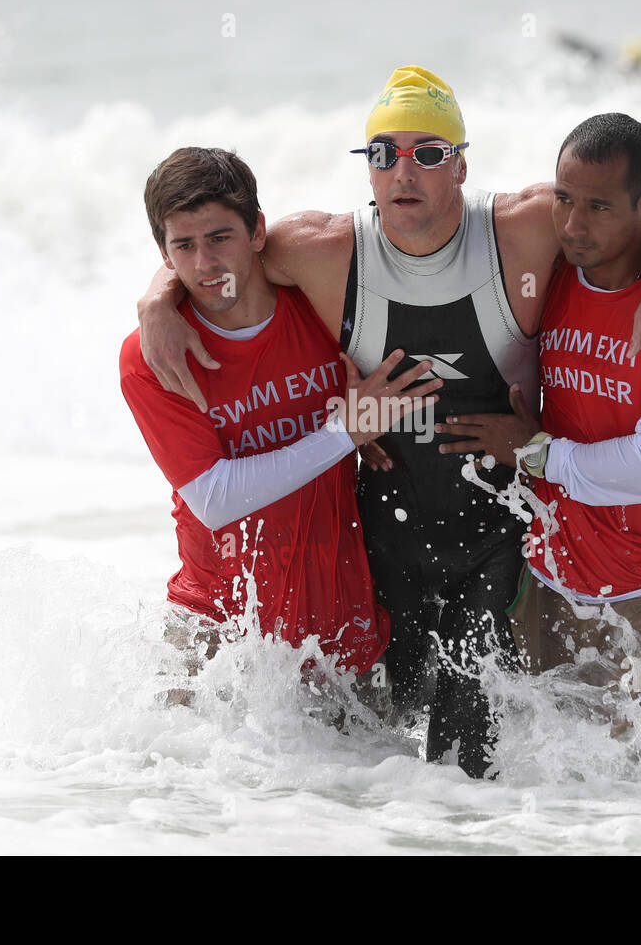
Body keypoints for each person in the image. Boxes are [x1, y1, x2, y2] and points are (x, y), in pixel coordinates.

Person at [136, 67, 641, 778]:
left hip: (502, 545)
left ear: (461, 164)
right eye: (384, 153)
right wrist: (158, 297)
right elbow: (217, 254)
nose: (404, 170)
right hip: (383, 544)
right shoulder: (317, 250)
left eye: (428, 153)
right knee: (364, 770)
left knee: (467, 773)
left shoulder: (529, 227)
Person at [438, 112, 641, 729]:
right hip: (553, 573)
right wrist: (172, 292)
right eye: (565, 198)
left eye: (599, 207)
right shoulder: (551, 266)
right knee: (542, 794)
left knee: (633, 784)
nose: (573, 225)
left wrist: (536, 453)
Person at [119, 147, 441, 704]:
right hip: (215, 634)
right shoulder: (156, 356)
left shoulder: (320, 307)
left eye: (220, 238)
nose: (205, 265)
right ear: (165, 256)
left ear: (258, 232)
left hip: (340, 626)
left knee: (380, 791)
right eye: (184, 247)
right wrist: (345, 435)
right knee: (172, 789)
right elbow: (215, 498)